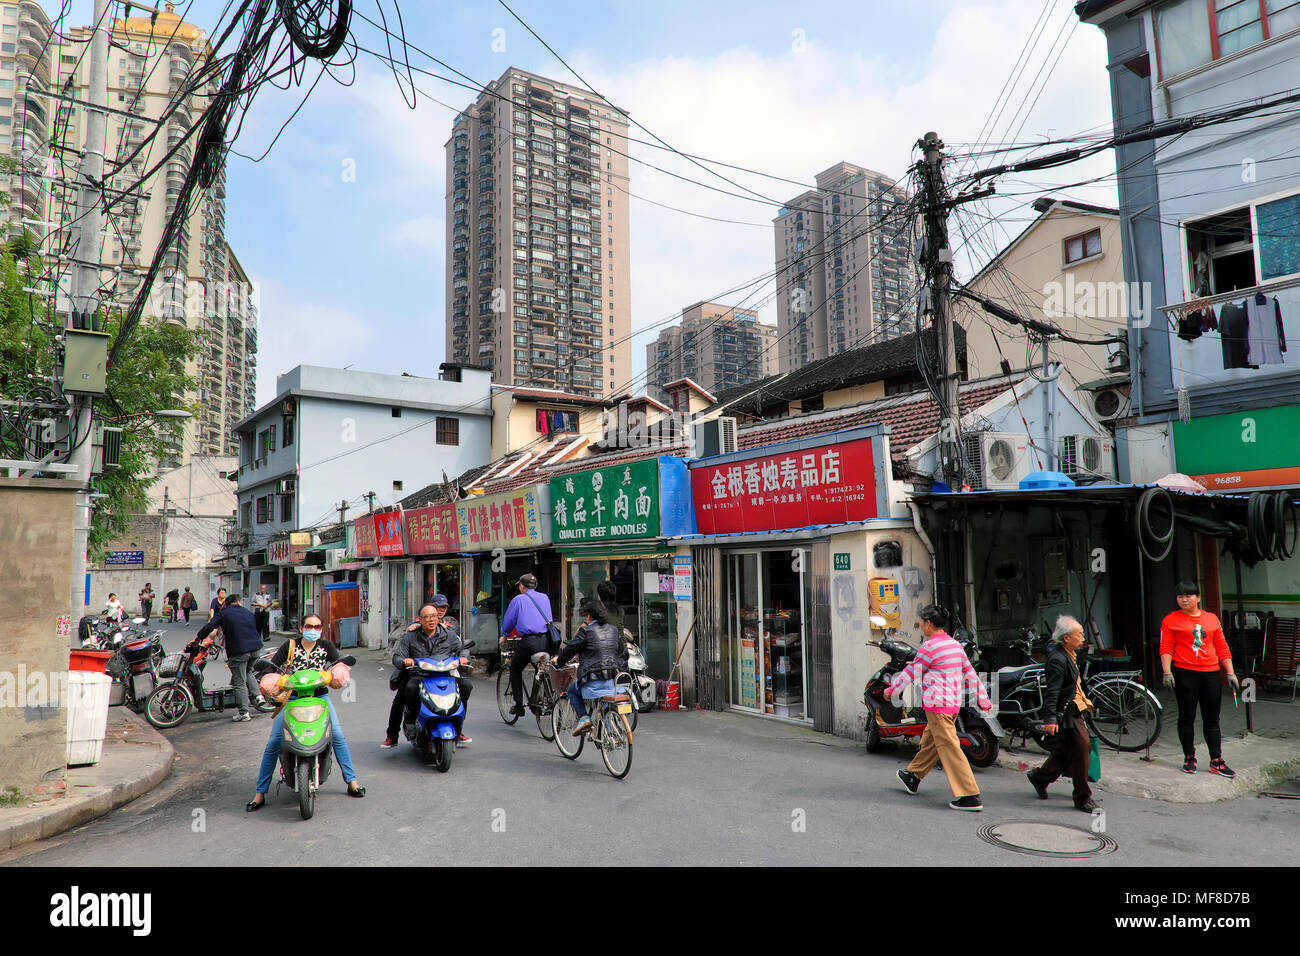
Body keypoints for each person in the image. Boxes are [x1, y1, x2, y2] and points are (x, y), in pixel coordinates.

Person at [245, 614, 364, 810]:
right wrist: (273, 680)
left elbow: (339, 665)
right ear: (301, 628)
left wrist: (337, 674)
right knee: (274, 741)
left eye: (317, 627)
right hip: (292, 698)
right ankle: (259, 793)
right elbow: (272, 668)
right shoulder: (290, 646)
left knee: (337, 736)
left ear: (321, 629)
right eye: (309, 626)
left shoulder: (326, 646)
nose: (313, 630)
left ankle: (352, 783)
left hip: (320, 698)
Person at [888, 604, 993, 811]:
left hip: (937, 706)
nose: (919, 625)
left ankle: (969, 795)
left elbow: (912, 673)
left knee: (950, 748)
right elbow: (970, 674)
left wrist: (891, 690)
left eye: (921, 621)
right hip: (952, 706)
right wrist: (984, 699)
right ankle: (913, 775)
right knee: (932, 741)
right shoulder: (954, 646)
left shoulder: (929, 647)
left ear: (928, 623)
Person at [1161, 581, 1238, 778]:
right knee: (1186, 717)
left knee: (1212, 719)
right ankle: (1189, 757)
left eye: (1188, 595)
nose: (1184, 599)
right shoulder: (1171, 620)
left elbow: (1221, 646)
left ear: (1198, 597)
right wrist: (1167, 672)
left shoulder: (1211, 619)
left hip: (1211, 673)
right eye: (1180, 596)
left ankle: (1216, 760)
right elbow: (1166, 647)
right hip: (1185, 673)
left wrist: (1230, 672)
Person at [1027, 616, 1099, 812]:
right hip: (1067, 712)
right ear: (1066, 638)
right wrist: (1050, 719)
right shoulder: (1057, 659)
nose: (1083, 638)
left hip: (1075, 708)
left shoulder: (1070, 654)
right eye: (1079, 635)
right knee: (1083, 749)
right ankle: (1083, 797)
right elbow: (1053, 691)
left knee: (1067, 752)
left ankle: (1039, 778)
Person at [388, 599, 472, 746]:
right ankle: (403, 727)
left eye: (434, 616)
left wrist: (464, 657)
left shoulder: (449, 634)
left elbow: (461, 648)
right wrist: (405, 661)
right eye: (427, 617)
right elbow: (397, 657)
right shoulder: (411, 635)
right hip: (419, 675)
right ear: (420, 620)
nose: (431, 619)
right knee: (407, 690)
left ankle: (458, 723)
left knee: (466, 685)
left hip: (445, 675)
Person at [552, 596, 628, 736]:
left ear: (588, 616)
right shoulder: (613, 630)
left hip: (592, 681)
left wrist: (559, 660)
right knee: (605, 699)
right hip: (613, 681)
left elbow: (569, 650)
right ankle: (607, 729)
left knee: (572, 690)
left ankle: (584, 718)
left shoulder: (586, 632)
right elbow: (623, 653)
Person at [196, 593, 266, 721]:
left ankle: (244, 713)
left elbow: (210, 626)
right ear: (239, 602)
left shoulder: (224, 613)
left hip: (239, 651)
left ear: (226, 604)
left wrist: (199, 637)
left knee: (239, 682)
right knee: (248, 672)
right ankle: (258, 696)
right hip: (256, 648)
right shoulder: (248, 612)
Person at [500, 573, 554, 717]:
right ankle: (541, 696)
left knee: (515, 668)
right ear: (535, 586)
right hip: (547, 641)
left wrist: (504, 634)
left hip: (529, 642)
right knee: (540, 668)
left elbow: (509, 622)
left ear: (521, 586)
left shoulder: (519, 599)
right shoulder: (545, 597)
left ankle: (518, 705)